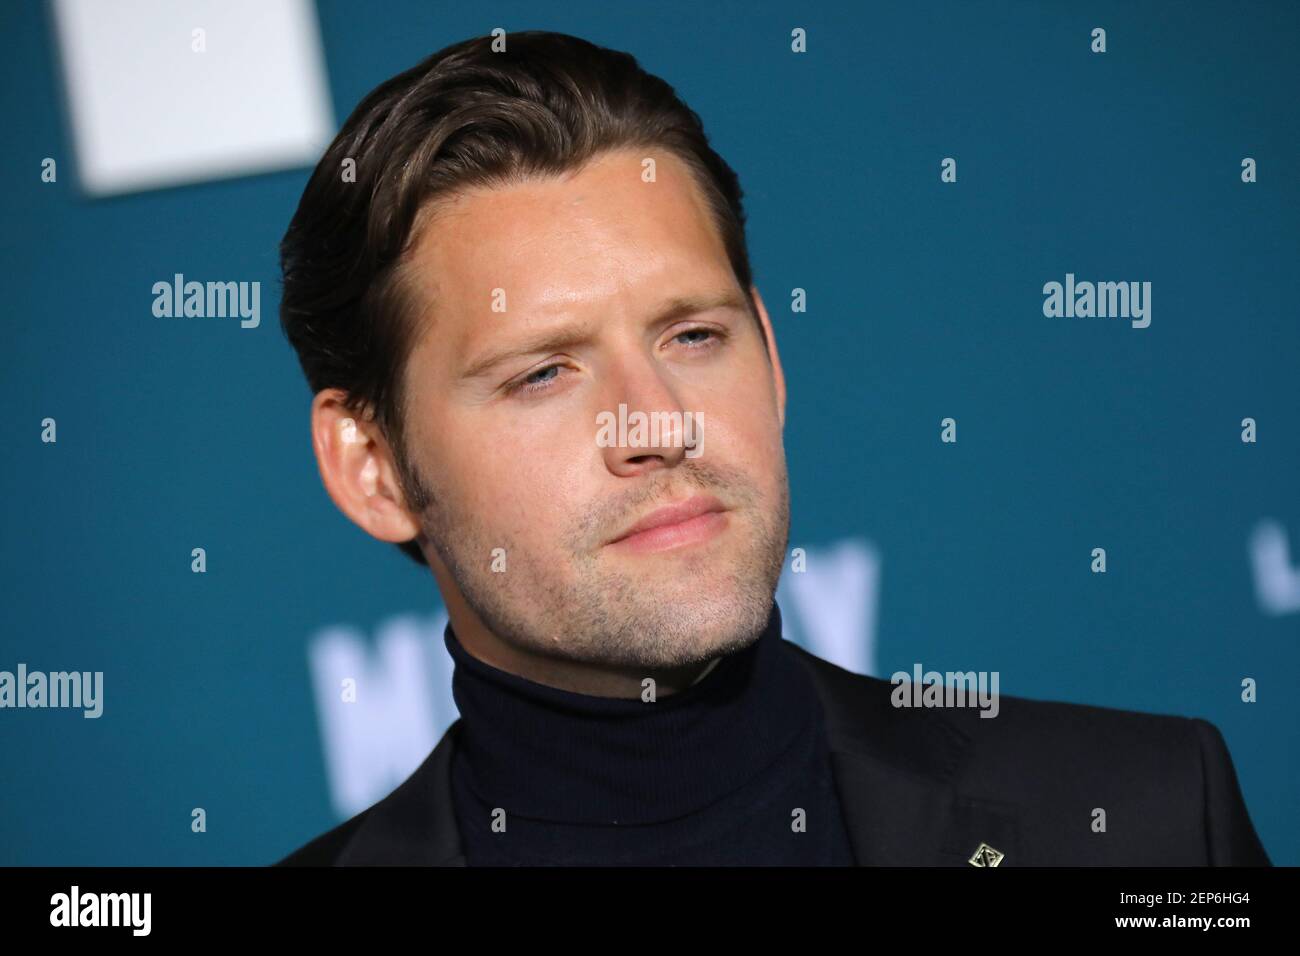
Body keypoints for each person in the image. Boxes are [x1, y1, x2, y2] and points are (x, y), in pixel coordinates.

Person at [274, 31, 1270, 866]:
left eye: (692, 336)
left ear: (772, 354)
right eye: (543, 373)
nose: (656, 421)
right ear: (373, 466)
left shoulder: (1142, 820)